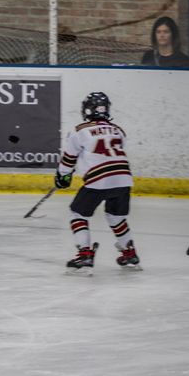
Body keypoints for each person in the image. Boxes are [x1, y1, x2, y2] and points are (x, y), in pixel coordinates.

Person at [54, 92, 140, 273]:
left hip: (99, 178)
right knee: (116, 217)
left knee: (78, 214)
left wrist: (63, 176)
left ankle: (85, 254)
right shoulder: (118, 130)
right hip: (124, 177)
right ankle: (129, 252)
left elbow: (69, 159)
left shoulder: (80, 130)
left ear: (87, 110)